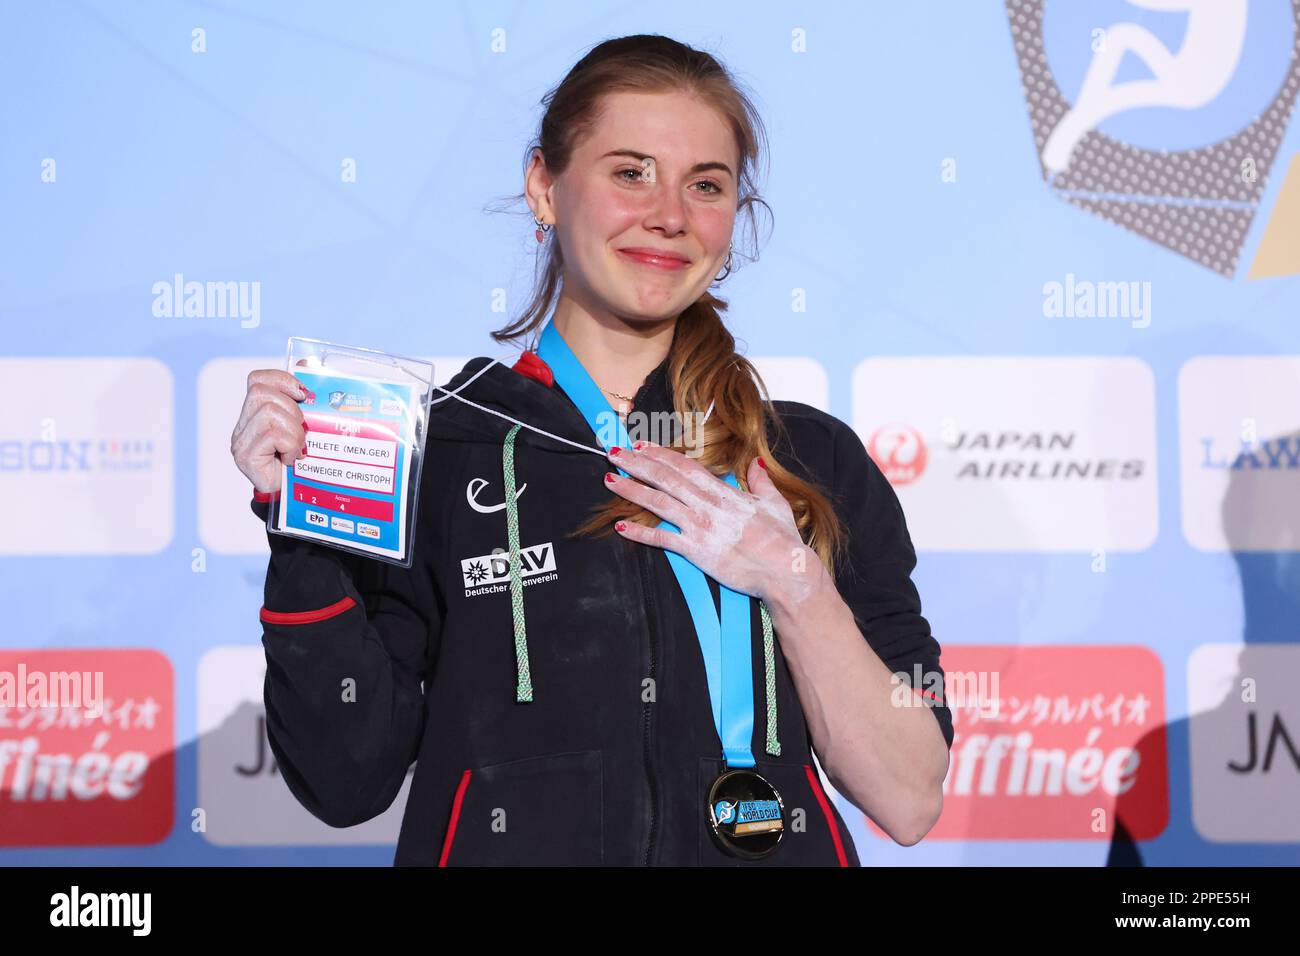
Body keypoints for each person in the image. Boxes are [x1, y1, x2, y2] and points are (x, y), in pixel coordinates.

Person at [229, 33, 952, 867]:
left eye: (705, 185)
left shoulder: (804, 458)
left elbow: (908, 797)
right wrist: (302, 533)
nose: (670, 215)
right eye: (630, 172)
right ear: (544, 186)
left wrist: (794, 585)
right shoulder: (435, 446)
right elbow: (344, 781)